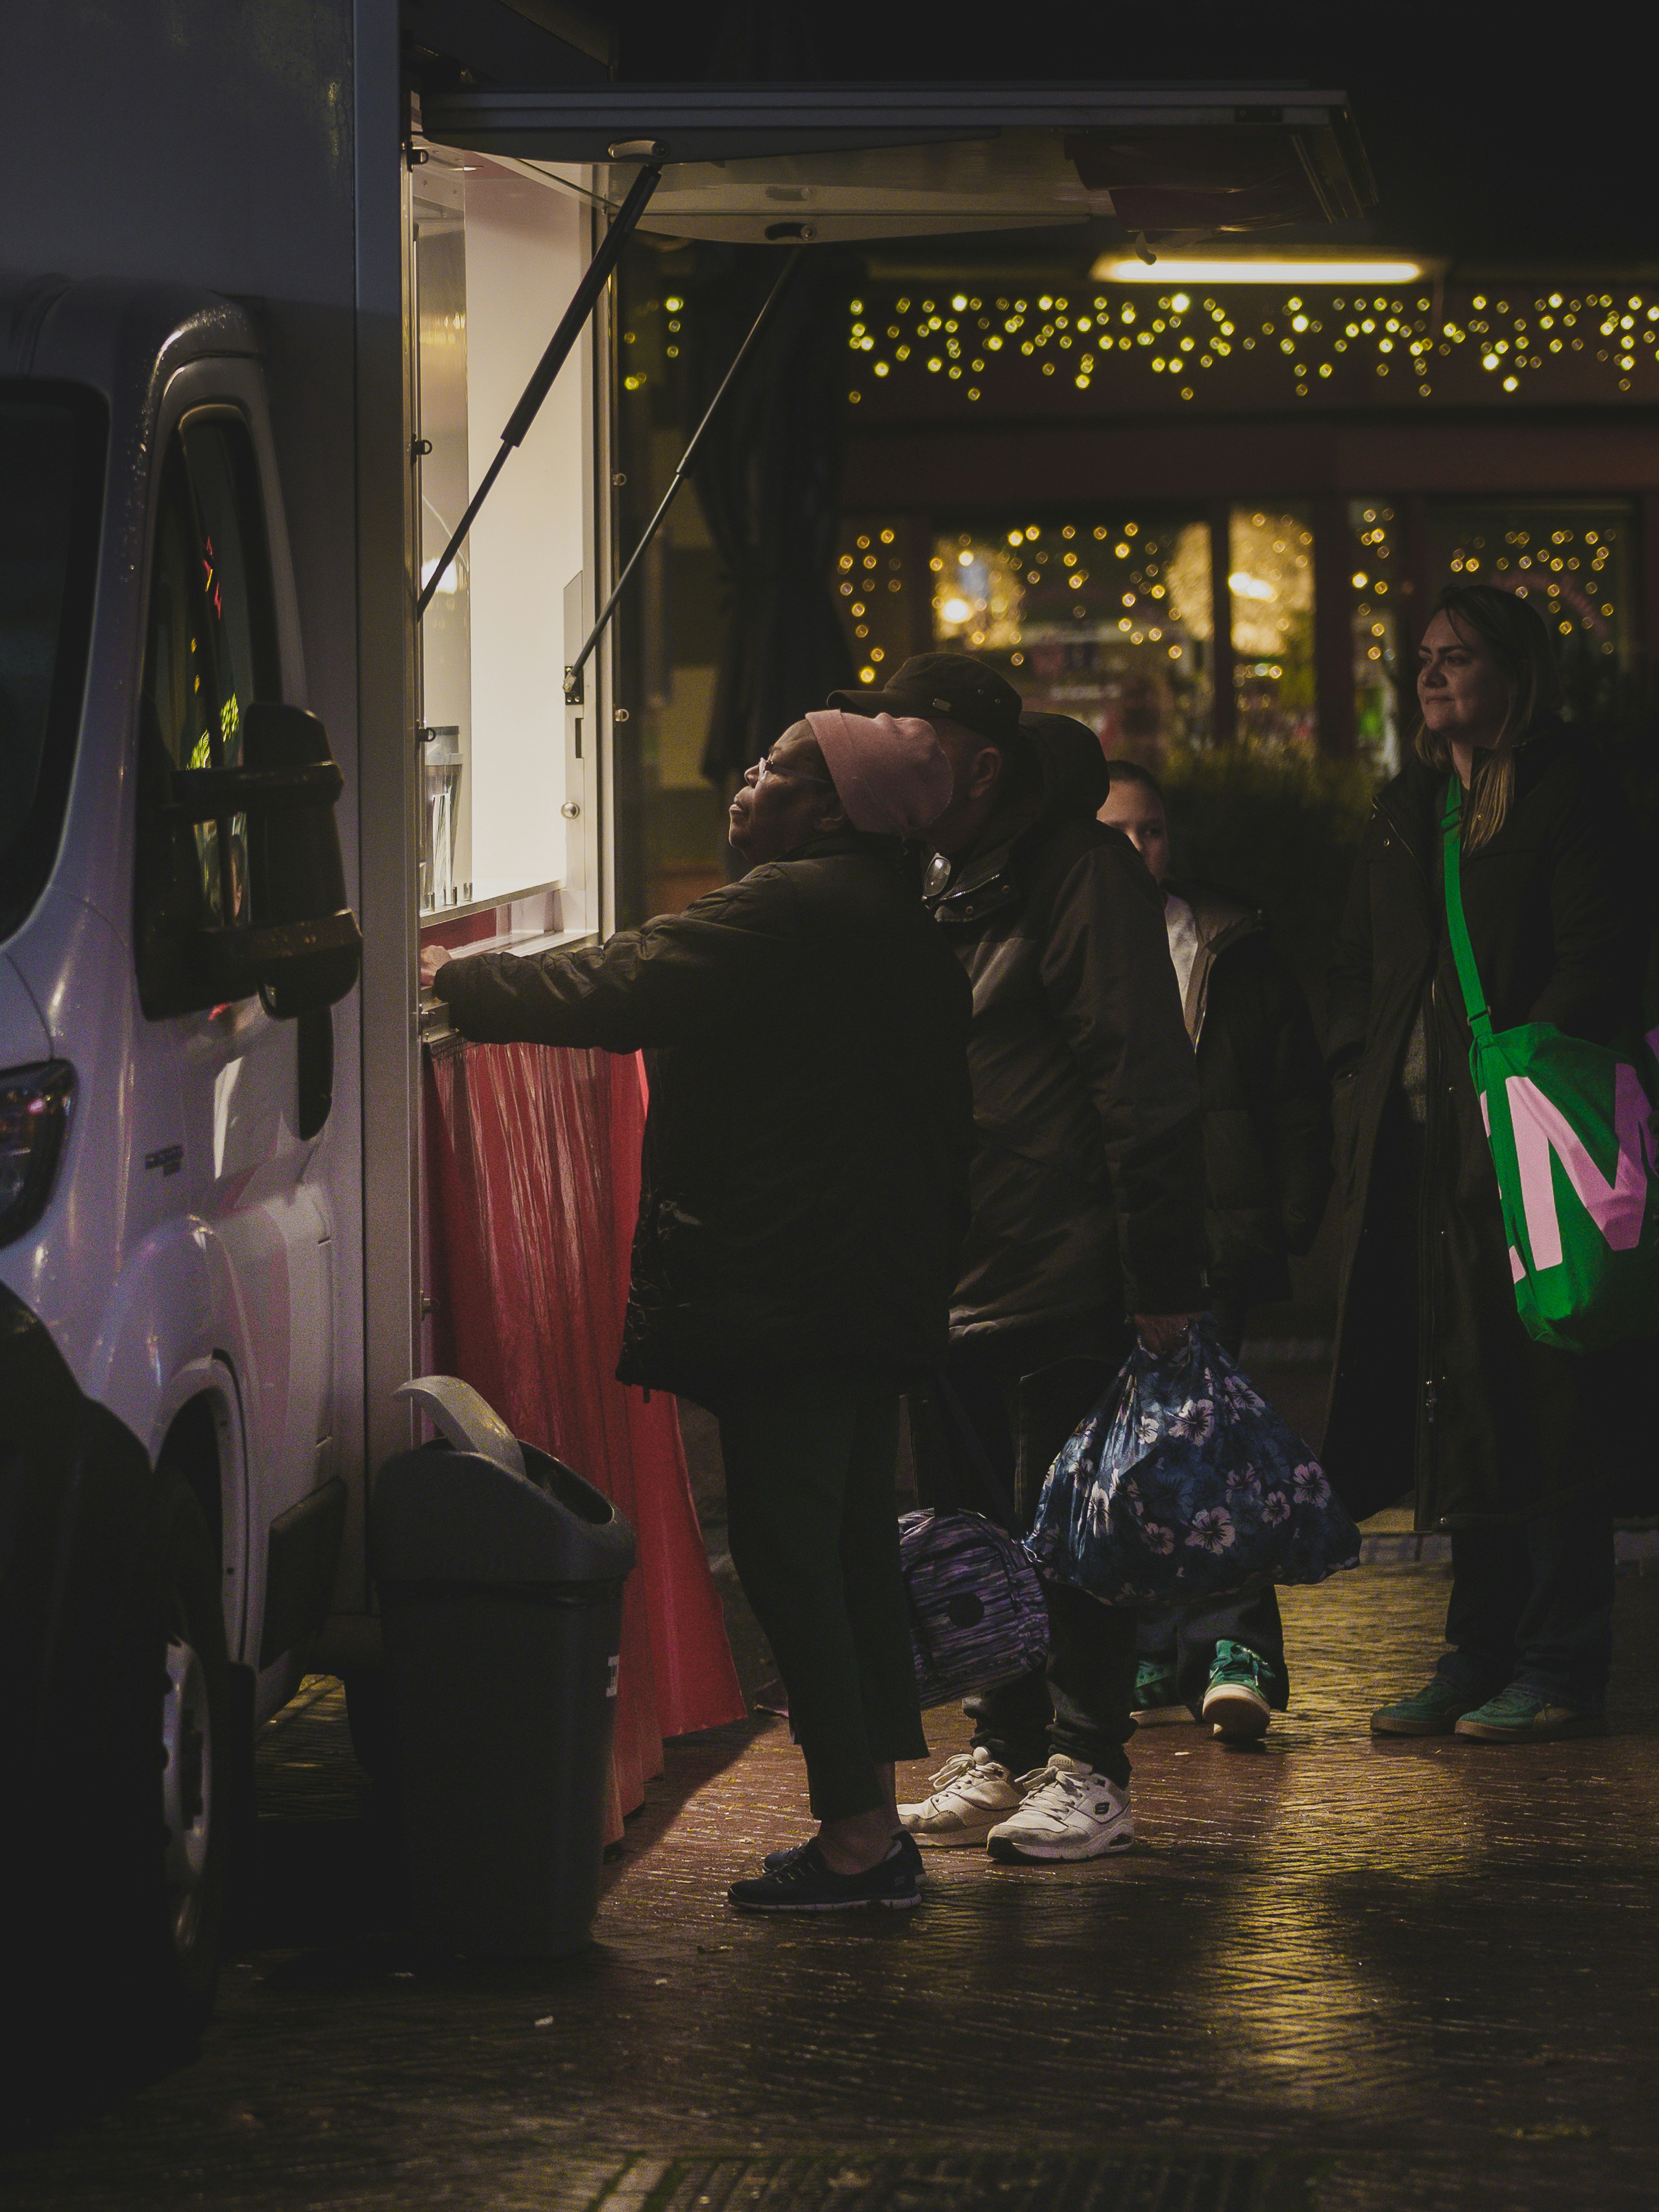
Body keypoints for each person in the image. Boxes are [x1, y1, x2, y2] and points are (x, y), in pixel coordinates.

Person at [423, 710, 973, 1907]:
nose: (744, 783)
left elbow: (624, 980)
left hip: (794, 1294)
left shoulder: (789, 908)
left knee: (793, 1556)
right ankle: (871, 1818)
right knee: (846, 1551)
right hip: (865, 1289)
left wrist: (458, 982)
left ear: (830, 808)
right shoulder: (890, 918)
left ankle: (859, 1840)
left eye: (774, 769)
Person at [853, 653, 1207, 1863]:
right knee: (971, 1529)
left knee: (1073, 1529)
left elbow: (1138, 1074)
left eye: (918, 743)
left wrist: (1158, 1276)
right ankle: (1003, 1747)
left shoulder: (1075, 869)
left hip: (1059, 1259)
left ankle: (1089, 1764)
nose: (897, 763)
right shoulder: (932, 868)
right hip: (953, 1263)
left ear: (981, 762)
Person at [1325, 583, 1649, 1743]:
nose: (1431, 676)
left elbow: (1599, 957)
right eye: (1419, 659)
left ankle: (1561, 1661)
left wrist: (1518, 1093)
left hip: (1532, 1141)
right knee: (1462, 1397)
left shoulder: (1568, 788)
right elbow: (1370, 967)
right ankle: (1477, 1646)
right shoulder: (1412, 804)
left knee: (1552, 1396)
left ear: (1516, 672)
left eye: (1456, 657)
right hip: (1430, 1155)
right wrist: (1359, 1076)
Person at [1097, 760, 1333, 1740]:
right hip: (1099, 1244)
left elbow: (1291, 1089)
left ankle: (1231, 1644)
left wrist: (1281, 1215)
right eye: (1115, 832)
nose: (1137, 848)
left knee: (1208, 1442)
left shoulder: (1229, 945)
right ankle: (1156, 1645)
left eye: (1149, 829)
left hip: (1209, 1238)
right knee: (1126, 1454)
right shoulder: (1066, 948)